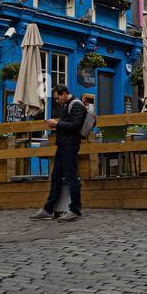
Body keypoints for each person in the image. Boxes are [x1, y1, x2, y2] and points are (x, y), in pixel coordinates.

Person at [32, 85, 87, 221]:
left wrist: (57, 124)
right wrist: (58, 123)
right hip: (63, 145)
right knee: (56, 177)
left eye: (57, 98)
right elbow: (69, 123)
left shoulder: (76, 105)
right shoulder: (67, 105)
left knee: (71, 177)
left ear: (64, 94)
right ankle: (48, 209)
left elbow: (75, 125)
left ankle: (75, 210)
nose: (57, 101)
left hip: (70, 145)